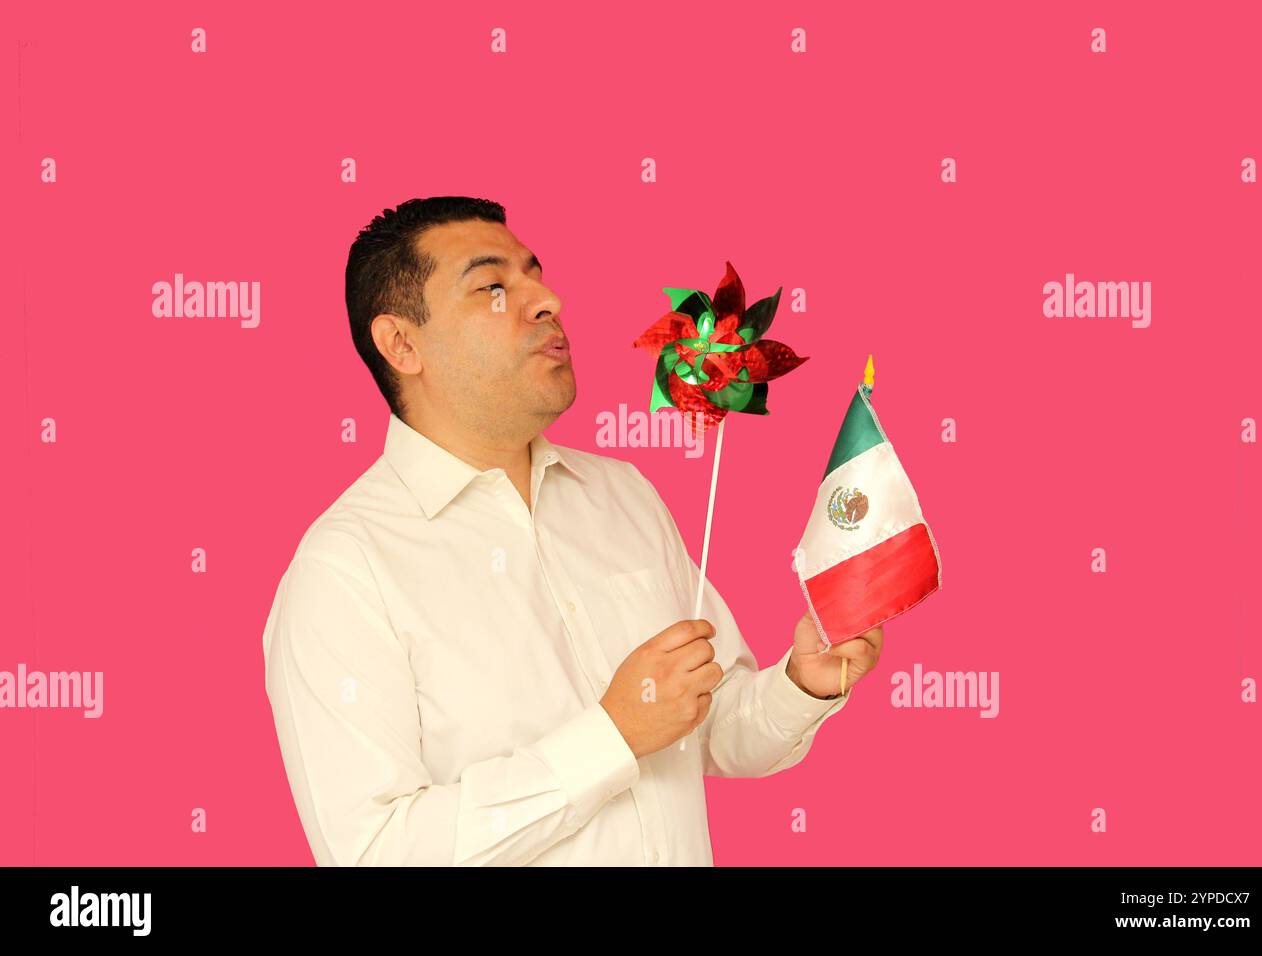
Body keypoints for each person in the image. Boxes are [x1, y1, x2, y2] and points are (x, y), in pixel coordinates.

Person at [261, 196, 885, 866]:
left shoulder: (622, 496)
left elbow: (711, 731)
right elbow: (374, 851)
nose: (547, 299)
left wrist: (802, 683)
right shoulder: (346, 569)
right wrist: (611, 736)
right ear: (402, 344)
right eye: (494, 287)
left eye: (537, 274)